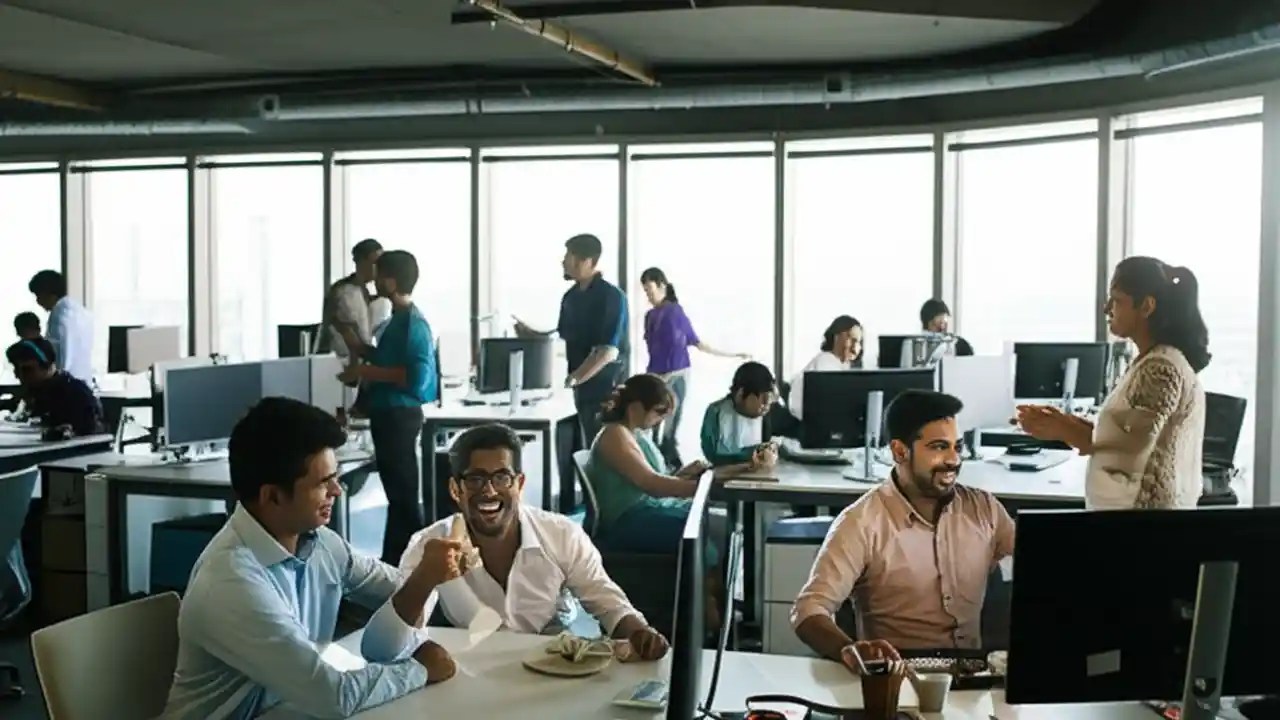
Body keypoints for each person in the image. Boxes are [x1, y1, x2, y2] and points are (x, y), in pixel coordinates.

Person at [161, 398, 459, 719]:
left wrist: (425, 578)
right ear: (272, 496)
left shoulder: (321, 544)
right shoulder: (230, 582)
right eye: (323, 482)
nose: (338, 491)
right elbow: (333, 696)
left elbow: (400, 591)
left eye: (336, 476)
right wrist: (419, 670)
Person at [399, 423, 670, 660]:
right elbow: (403, 636)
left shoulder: (561, 534)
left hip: (552, 661)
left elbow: (608, 603)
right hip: (471, 665)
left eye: (502, 477)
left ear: (520, 484)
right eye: (475, 479)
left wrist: (640, 633)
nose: (489, 490)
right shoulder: (429, 545)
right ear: (455, 489)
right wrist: (424, 577)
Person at [792, 390, 1015, 655]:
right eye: (939, 447)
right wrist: (849, 650)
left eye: (957, 446)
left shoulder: (984, 509)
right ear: (899, 451)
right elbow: (809, 610)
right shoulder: (861, 522)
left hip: (975, 677)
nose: (954, 460)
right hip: (899, 677)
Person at [1017, 257, 1210, 510]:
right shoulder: (1152, 361)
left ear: (1147, 306)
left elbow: (1130, 452)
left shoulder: (1161, 368)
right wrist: (1066, 423)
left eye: (1117, 300)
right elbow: (1123, 434)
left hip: (1143, 530)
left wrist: (1064, 430)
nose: (1107, 308)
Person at [584, 374, 741, 627]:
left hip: (643, 510)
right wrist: (703, 488)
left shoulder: (634, 434)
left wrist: (686, 476)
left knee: (714, 522)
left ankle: (713, 606)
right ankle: (710, 614)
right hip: (626, 521)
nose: (660, 421)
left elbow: (652, 481)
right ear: (636, 407)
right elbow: (652, 486)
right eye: (658, 413)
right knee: (702, 526)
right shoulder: (614, 436)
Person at [338, 250, 438, 564]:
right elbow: (390, 361)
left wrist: (364, 372)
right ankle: (395, 561)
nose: (374, 280)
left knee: (404, 497)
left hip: (399, 417)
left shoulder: (412, 324)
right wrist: (359, 347)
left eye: (379, 275)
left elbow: (415, 377)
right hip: (388, 416)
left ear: (391, 282)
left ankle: (408, 564)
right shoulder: (396, 320)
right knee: (398, 495)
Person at [515, 234, 627, 445]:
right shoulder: (571, 297)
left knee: (602, 453)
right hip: (578, 393)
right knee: (576, 453)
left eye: (569, 256)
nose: (563, 261)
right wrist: (531, 335)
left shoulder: (611, 297)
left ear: (586, 261)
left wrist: (573, 379)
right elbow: (562, 337)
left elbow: (607, 352)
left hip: (606, 394)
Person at [639, 267, 748, 467]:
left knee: (670, 432)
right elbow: (653, 350)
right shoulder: (650, 317)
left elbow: (698, 343)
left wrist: (732, 354)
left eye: (650, 289)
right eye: (645, 291)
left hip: (676, 375)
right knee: (651, 431)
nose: (648, 295)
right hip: (655, 378)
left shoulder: (675, 312)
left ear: (662, 285)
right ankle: (659, 473)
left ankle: (675, 476)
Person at [5, 337, 103, 436]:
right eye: (16, 369)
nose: (18, 375)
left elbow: (90, 435)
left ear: (47, 366)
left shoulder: (75, 394)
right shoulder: (31, 392)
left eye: (27, 370)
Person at [700, 361, 778, 467]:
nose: (767, 406)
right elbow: (712, 454)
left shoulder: (766, 415)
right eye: (763, 399)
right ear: (741, 394)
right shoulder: (715, 412)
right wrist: (750, 454)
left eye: (769, 400)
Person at [788, 315, 863, 422]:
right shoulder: (825, 362)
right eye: (852, 339)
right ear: (837, 337)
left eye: (859, 342)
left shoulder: (842, 365)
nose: (855, 347)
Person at [319, 238, 383, 359]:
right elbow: (353, 337)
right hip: (342, 361)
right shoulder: (346, 293)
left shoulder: (365, 291)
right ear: (362, 262)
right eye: (376, 262)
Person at [28, 270, 94, 386]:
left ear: (49, 294)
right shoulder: (81, 312)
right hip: (84, 383)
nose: (38, 301)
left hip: (67, 387)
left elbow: (61, 356)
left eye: (39, 296)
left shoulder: (59, 315)